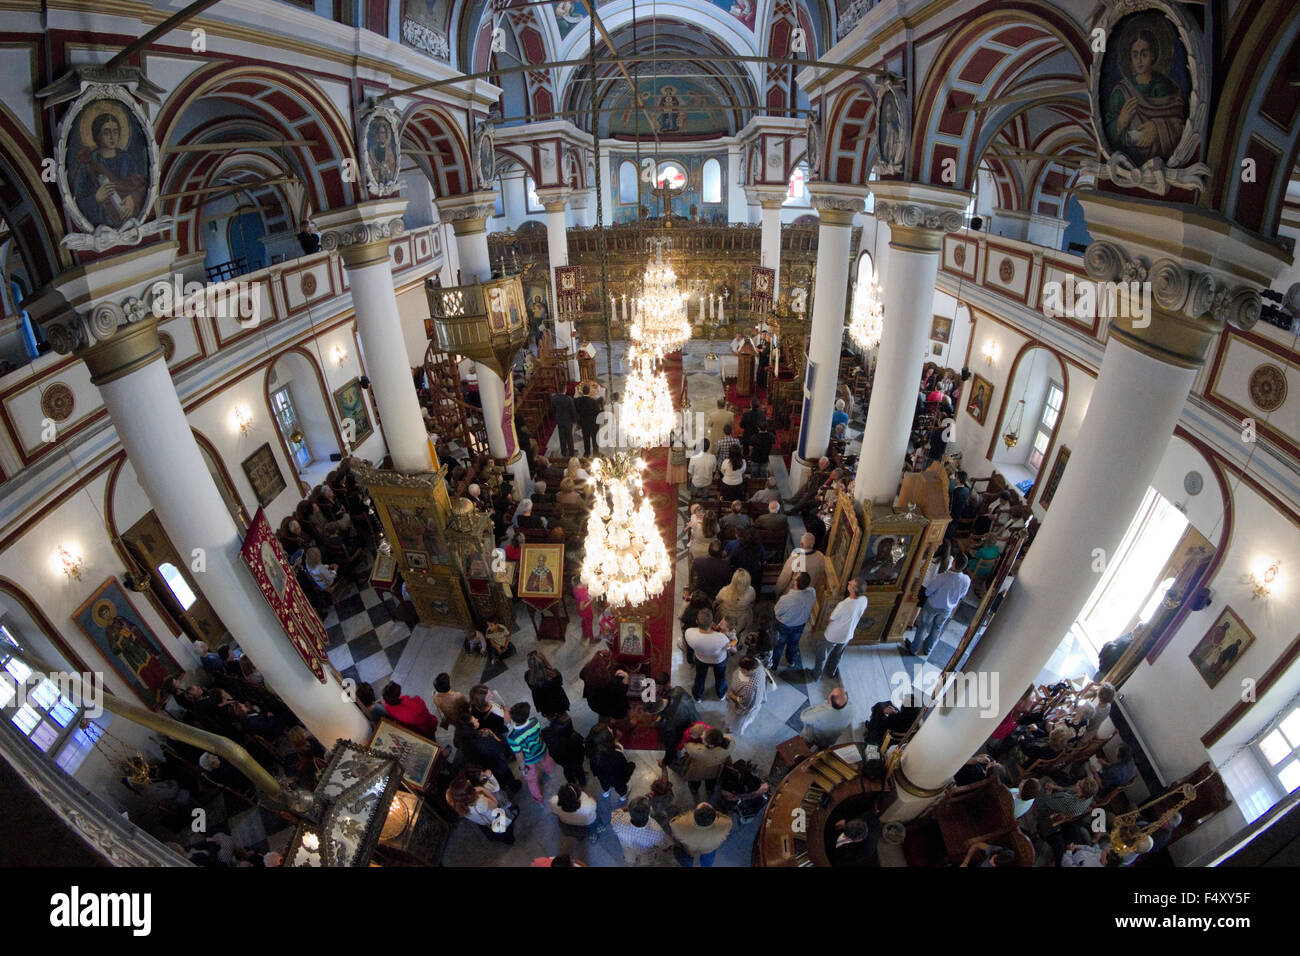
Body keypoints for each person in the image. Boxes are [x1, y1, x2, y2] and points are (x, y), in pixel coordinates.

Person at [1103, 28, 1186, 166]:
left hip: (1162, 160)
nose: (1139, 61)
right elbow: (1109, 131)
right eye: (1135, 55)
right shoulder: (1122, 92)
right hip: (1129, 158)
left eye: (1144, 54)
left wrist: (1157, 126)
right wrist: (1120, 123)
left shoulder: (1165, 86)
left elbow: (1179, 123)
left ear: (1153, 55)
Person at [908, 553, 971, 657]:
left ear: (954, 563)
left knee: (923, 626)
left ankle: (914, 648)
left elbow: (929, 591)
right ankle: (928, 648)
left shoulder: (943, 577)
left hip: (932, 605)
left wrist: (928, 594)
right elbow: (962, 595)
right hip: (947, 609)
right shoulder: (966, 580)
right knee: (937, 628)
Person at [813, 578, 868, 680]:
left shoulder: (844, 604)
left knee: (822, 655)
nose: (848, 583)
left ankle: (816, 675)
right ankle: (831, 672)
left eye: (850, 584)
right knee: (837, 655)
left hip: (833, 635)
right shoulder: (864, 600)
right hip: (847, 635)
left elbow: (831, 619)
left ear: (853, 589)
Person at [504, 702, 555, 803]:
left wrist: (522, 768)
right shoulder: (534, 722)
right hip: (541, 749)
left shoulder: (512, 737)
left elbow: (519, 757)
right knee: (547, 761)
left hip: (528, 759)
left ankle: (538, 798)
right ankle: (550, 772)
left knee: (531, 779)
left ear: (512, 718)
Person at [446, 774, 515, 844]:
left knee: (495, 832)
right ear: (467, 793)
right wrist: (483, 789)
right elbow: (495, 803)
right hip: (495, 820)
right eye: (466, 782)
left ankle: (496, 837)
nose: (468, 780)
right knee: (506, 832)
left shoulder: (458, 804)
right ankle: (509, 839)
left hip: (483, 823)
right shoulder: (480, 803)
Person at [685, 608, 734, 701]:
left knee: (700, 677)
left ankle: (697, 696)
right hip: (718, 660)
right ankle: (721, 694)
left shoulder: (689, 632)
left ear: (696, 622)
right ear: (712, 623)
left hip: (701, 659)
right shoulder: (722, 638)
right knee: (720, 677)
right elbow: (732, 649)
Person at [773, 571, 816, 673]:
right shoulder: (812, 593)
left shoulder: (786, 599)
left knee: (779, 645)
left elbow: (777, 612)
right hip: (800, 625)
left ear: (795, 582)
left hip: (784, 625)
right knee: (793, 643)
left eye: (795, 577)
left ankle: (774, 666)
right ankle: (791, 661)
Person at [648, 683, 698, 768]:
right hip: (694, 716)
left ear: (658, 711)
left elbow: (671, 747)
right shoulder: (677, 690)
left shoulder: (669, 725)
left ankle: (676, 762)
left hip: (689, 729)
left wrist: (665, 762)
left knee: (673, 745)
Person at [611, 796, 671, 866]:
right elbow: (664, 847)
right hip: (646, 852)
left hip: (628, 848)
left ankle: (630, 864)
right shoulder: (657, 831)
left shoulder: (618, 820)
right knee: (645, 863)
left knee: (629, 860)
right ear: (649, 812)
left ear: (630, 811)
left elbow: (615, 812)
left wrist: (632, 808)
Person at [678, 727, 734, 801]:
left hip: (698, 771)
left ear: (711, 745)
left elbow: (686, 744)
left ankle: (694, 790)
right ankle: (710, 792)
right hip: (714, 771)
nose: (701, 736)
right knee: (711, 783)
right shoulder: (730, 745)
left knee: (695, 782)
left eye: (703, 737)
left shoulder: (697, 751)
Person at [670, 802, 733, 867]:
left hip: (691, 850)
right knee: (707, 861)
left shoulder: (678, 825)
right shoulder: (725, 825)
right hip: (709, 849)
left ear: (694, 815)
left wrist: (689, 814)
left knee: (684, 857)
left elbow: (673, 822)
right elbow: (727, 820)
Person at [541, 711, 587, 786]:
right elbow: (582, 744)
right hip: (576, 759)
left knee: (567, 771)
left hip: (562, 761)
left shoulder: (550, 737)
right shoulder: (574, 736)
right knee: (579, 771)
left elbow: (551, 751)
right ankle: (582, 782)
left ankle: (571, 782)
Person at [724, 656, 767, 735]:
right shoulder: (758, 663)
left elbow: (744, 701)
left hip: (741, 706)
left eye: (743, 670)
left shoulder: (749, 687)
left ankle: (731, 729)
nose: (740, 670)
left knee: (736, 720)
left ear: (750, 670)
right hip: (756, 696)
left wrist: (731, 695)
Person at [714, 568, 756, 637]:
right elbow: (752, 602)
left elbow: (717, 600)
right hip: (743, 618)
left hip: (725, 617)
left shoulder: (724, 591)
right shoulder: (751, 591)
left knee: (724, 631)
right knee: (738, 632)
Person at [575, 385, 602, 456]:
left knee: (586, 438)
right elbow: (597, 411)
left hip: (584, 422)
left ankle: (587, 452)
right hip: (593, 422)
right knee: (594, 438)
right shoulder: (593, 401)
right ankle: (595, 452)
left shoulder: (578, 400)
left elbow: (577, 411)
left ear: (582, 392)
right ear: (589, 392)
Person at [551, 388, 577, 458]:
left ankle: (564, 452)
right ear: (565, 389)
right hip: (568, 421)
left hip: (559, 420)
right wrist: (574, 420)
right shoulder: (569, 399)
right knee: (569, 437)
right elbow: (572, 410)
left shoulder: (554, 398)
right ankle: (571, 452)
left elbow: (553, 410)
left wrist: (556, 418)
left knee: (561, 436)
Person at [572, 575, 596, 642]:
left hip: (580, 611)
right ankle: (592, 639)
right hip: (586, 611)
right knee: (589, 624)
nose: (587, 583)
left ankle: (584, 633)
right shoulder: (583, 594)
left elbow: (584, 587)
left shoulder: (575, 588)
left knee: (584, 621)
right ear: (580, 583)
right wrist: (591, 600)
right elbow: (582, 608)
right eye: (585, 581)